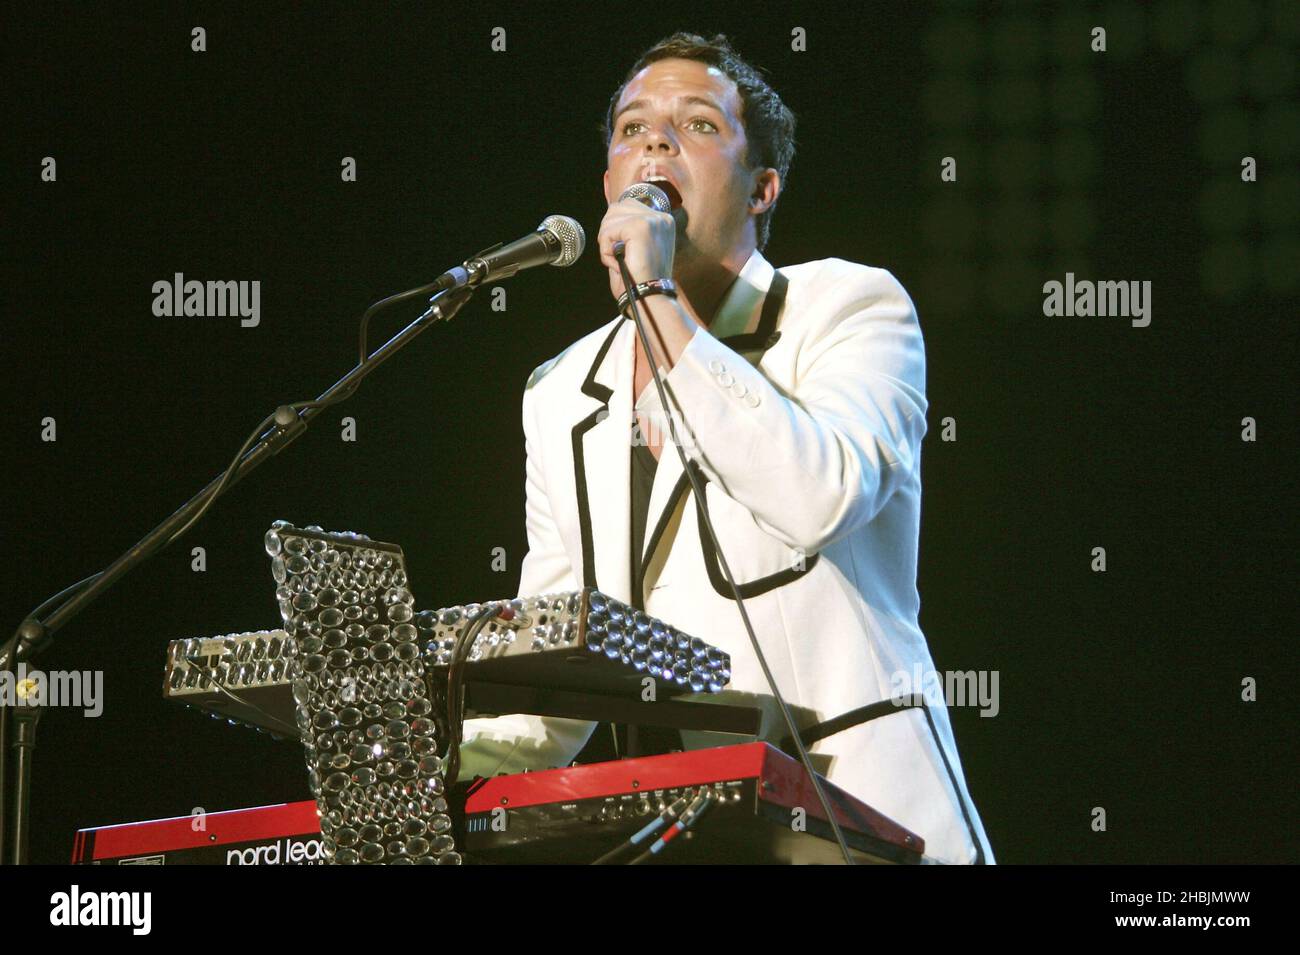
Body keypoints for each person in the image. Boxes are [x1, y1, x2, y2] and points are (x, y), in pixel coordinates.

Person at [456, 32, 995, 864]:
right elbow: (556, 670)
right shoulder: (559, 390)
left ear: (762, 189)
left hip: (862, 811)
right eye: (633, 130)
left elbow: (819, 493)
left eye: (698, 125)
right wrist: (412, 768)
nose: (657, 142)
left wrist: (657, 298)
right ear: (608, 182)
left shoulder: (847, 307)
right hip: (688, 831)